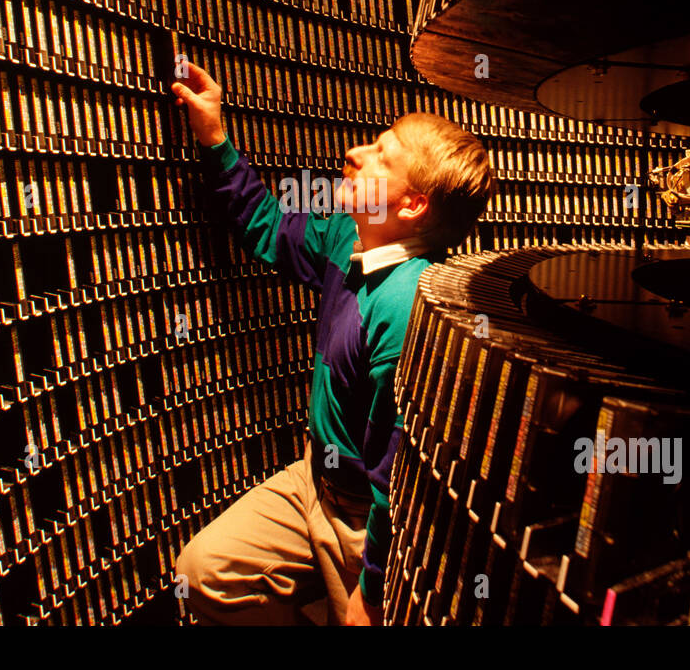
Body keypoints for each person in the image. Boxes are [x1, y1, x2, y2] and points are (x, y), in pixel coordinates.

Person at [169, 61, 493, 625]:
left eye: (380, 154)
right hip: (313, 480)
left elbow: (399, 470)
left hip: (368, 517)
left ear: (411, 205)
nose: (354, 153)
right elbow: (268, 227)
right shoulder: (348, 238)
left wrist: (372, 590)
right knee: (202, 573)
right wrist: (214, 136)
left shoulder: (404, 307)